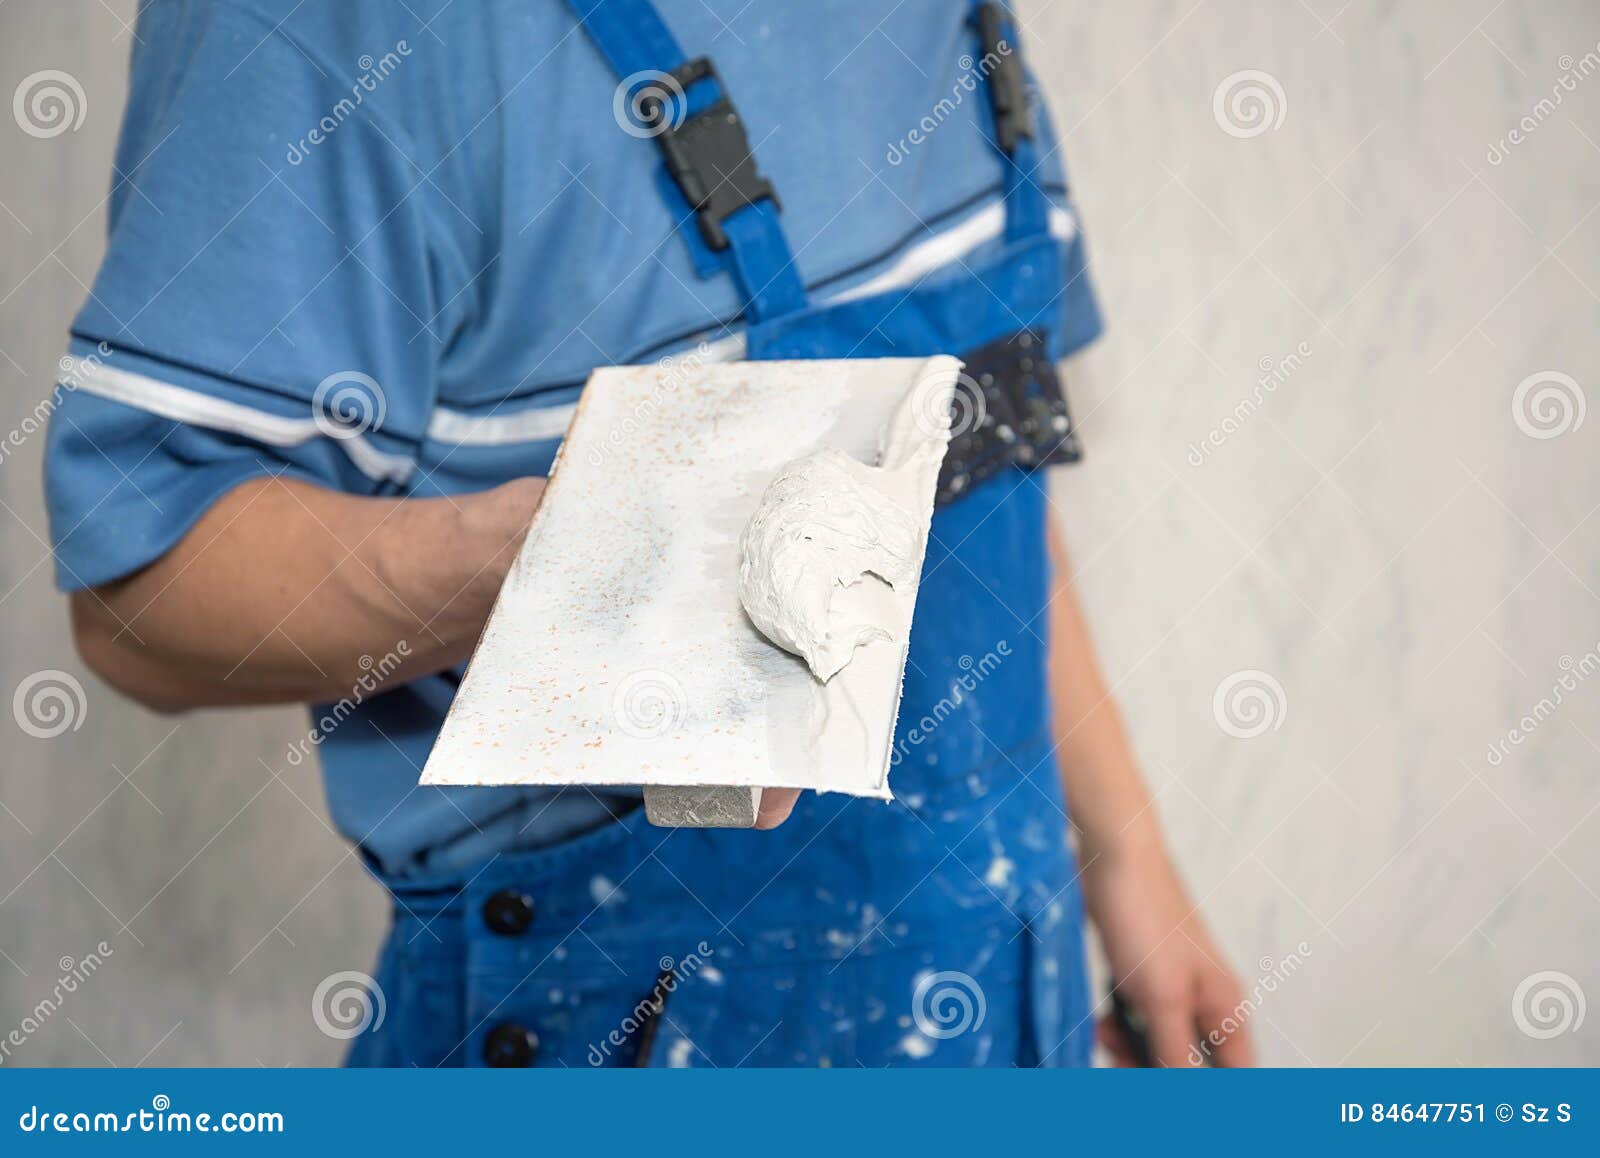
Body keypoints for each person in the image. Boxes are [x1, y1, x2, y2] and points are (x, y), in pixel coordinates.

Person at [46, 0, 1250, 1067]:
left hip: (1000, 978)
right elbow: (137, 603)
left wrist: (1123, 853)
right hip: (621, 1023)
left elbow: (972, 461)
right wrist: (562, 556)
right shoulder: (329, 26)